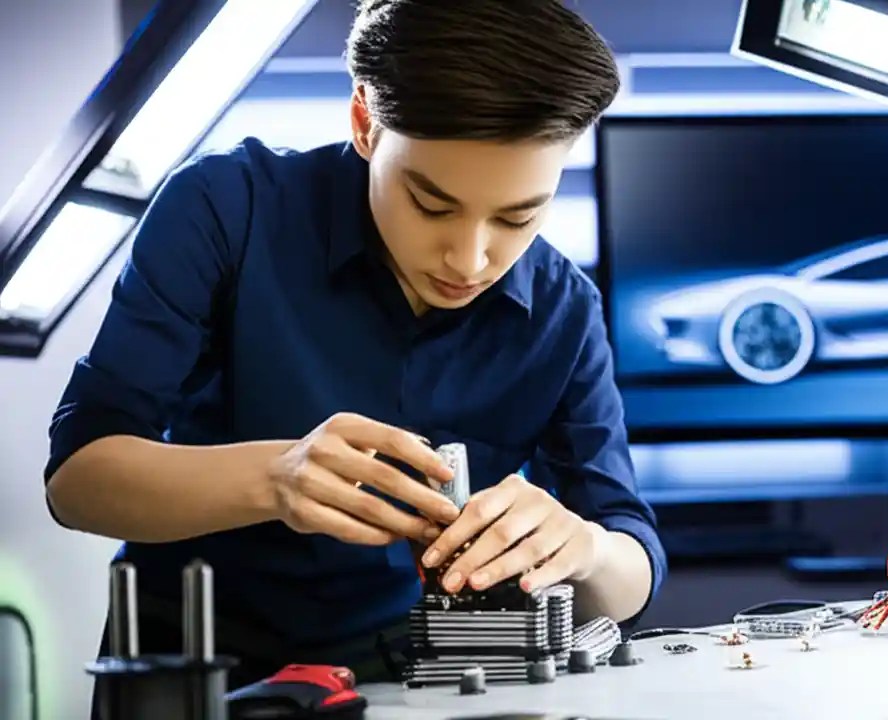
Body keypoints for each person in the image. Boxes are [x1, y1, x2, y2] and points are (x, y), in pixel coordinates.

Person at [43, 0, 666, 707]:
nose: (470, 259)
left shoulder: (565, 309)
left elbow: (631, 565)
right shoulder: (225, 209)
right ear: (364, 122)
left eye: (519, 216)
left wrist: (583, 548)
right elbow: (78, 479)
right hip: (190, 679)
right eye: (432, 205)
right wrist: (277, 478)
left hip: (420, 688)